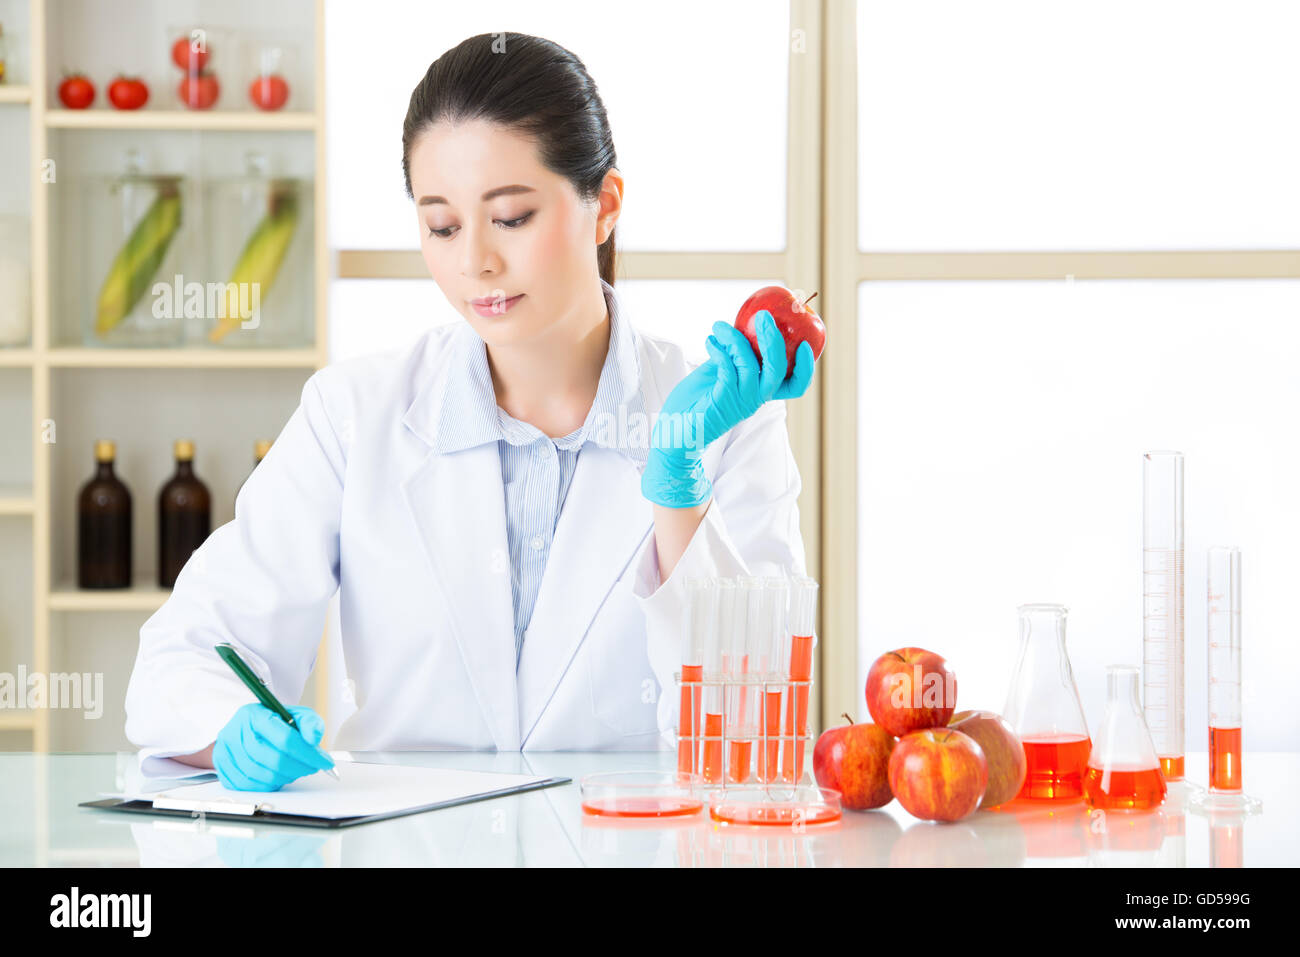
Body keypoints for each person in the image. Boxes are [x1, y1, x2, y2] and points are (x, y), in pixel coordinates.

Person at [124, 32, 816, 791]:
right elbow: (186, 655)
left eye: (512, 216)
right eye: (442, 226)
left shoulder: (727, 425)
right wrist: (227, 723)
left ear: (605, 205)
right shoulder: (353, 414)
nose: (474, 262)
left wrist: (677, 487)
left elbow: (758, 731)